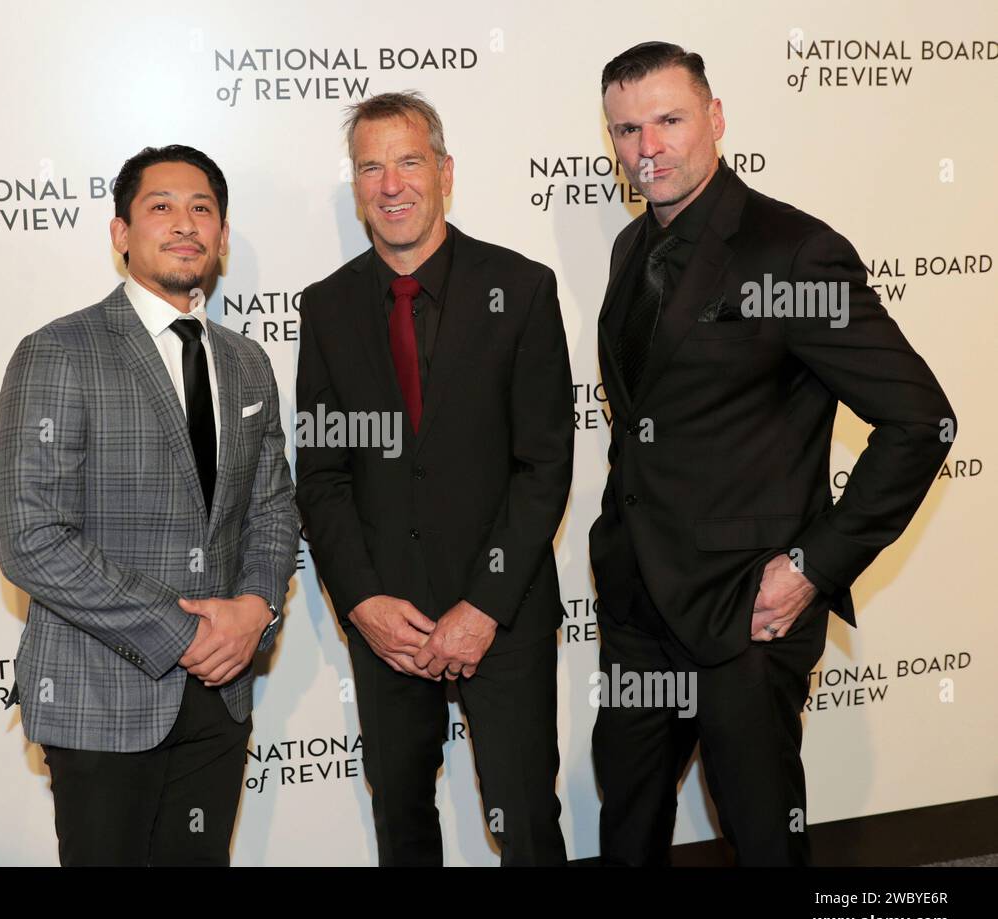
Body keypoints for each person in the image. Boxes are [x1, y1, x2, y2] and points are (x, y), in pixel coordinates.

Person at [589, 42, 956, 865]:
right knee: (626, 832)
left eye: (669, 120)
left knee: (762, 842)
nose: (647, 147)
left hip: (745, 611)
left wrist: (811, 567)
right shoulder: (629, 251)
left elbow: (921, 422)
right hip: (639, 607)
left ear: (715, 120)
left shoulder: (793, 251)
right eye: (625, 130)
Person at [0, 145, 300, 866]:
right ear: (121, 233)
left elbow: (274, 506)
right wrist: (180, 632)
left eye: (202, 209)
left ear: (222, 236)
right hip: (103, 700)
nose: (183, 223)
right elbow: (31, 537)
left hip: (220, 698)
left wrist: (257, 605)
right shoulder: (59, 352)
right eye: (160, 207)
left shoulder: (246, 361)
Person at [296, 91, 575, 866]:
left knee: (523, 817)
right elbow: (321, 476)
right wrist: (365, 604)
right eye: (371, 167)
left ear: (445, 172)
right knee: (402, 822)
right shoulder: (326, 308)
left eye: (409, 161)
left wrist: (482, 608)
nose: (392, 185)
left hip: (503, 612)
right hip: (386, 620)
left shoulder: (520, 290)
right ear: (356, 186)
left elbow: (544, 464)